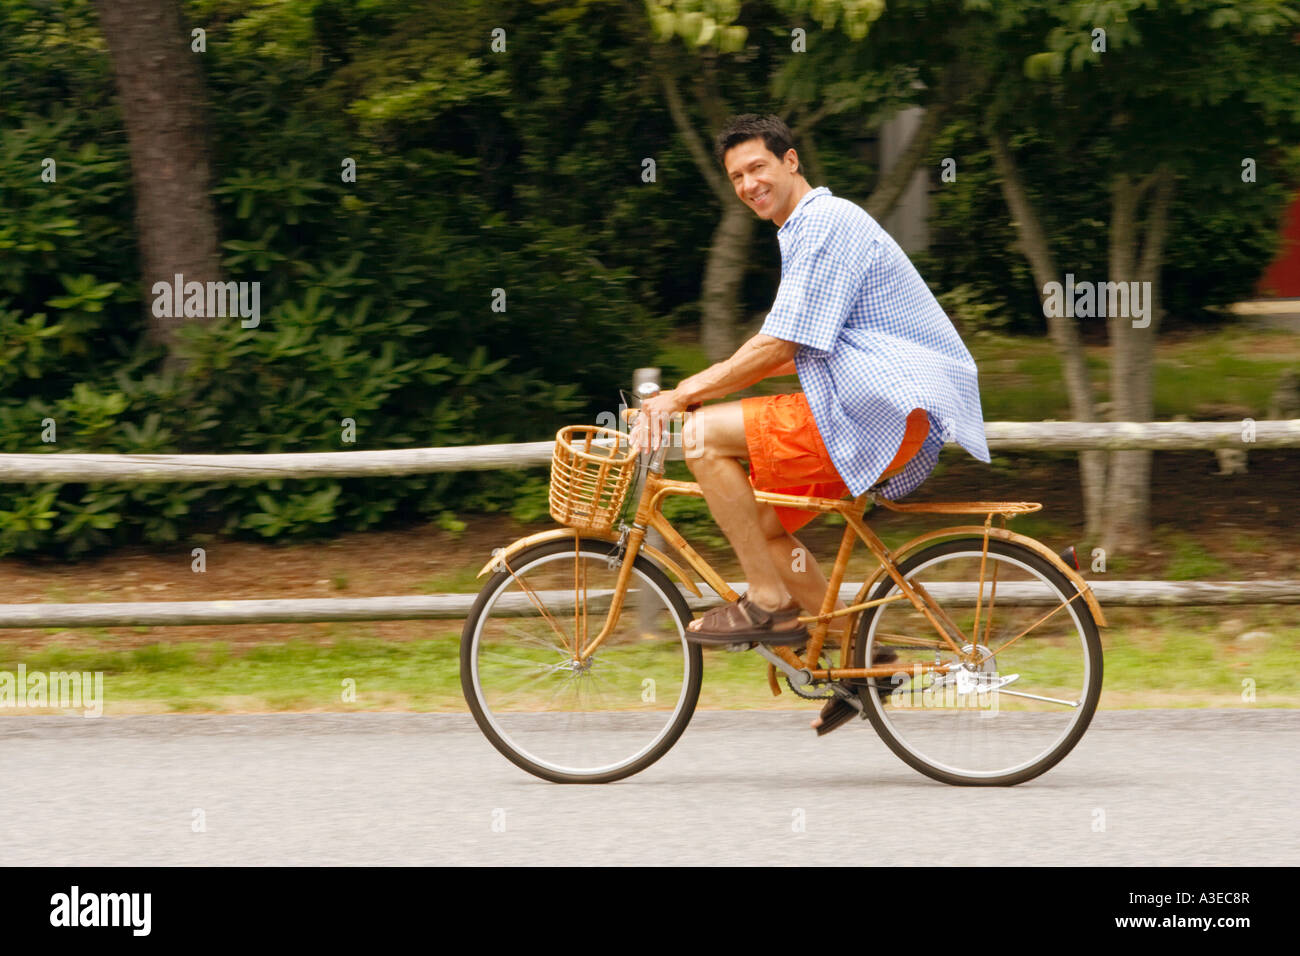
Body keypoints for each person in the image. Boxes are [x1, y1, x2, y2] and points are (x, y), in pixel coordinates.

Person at [631, 114, 990, 734]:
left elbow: (781, 345)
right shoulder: (804, 229)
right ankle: (859, 652)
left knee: (697, 437)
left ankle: (768, 603)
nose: (748, 183)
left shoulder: (824, 223)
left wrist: (682, 395)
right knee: (760, 525)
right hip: (865, 411)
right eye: (737, 175)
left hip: (872, 413)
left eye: (758, 167)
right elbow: (783, 342)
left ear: (791, 161)